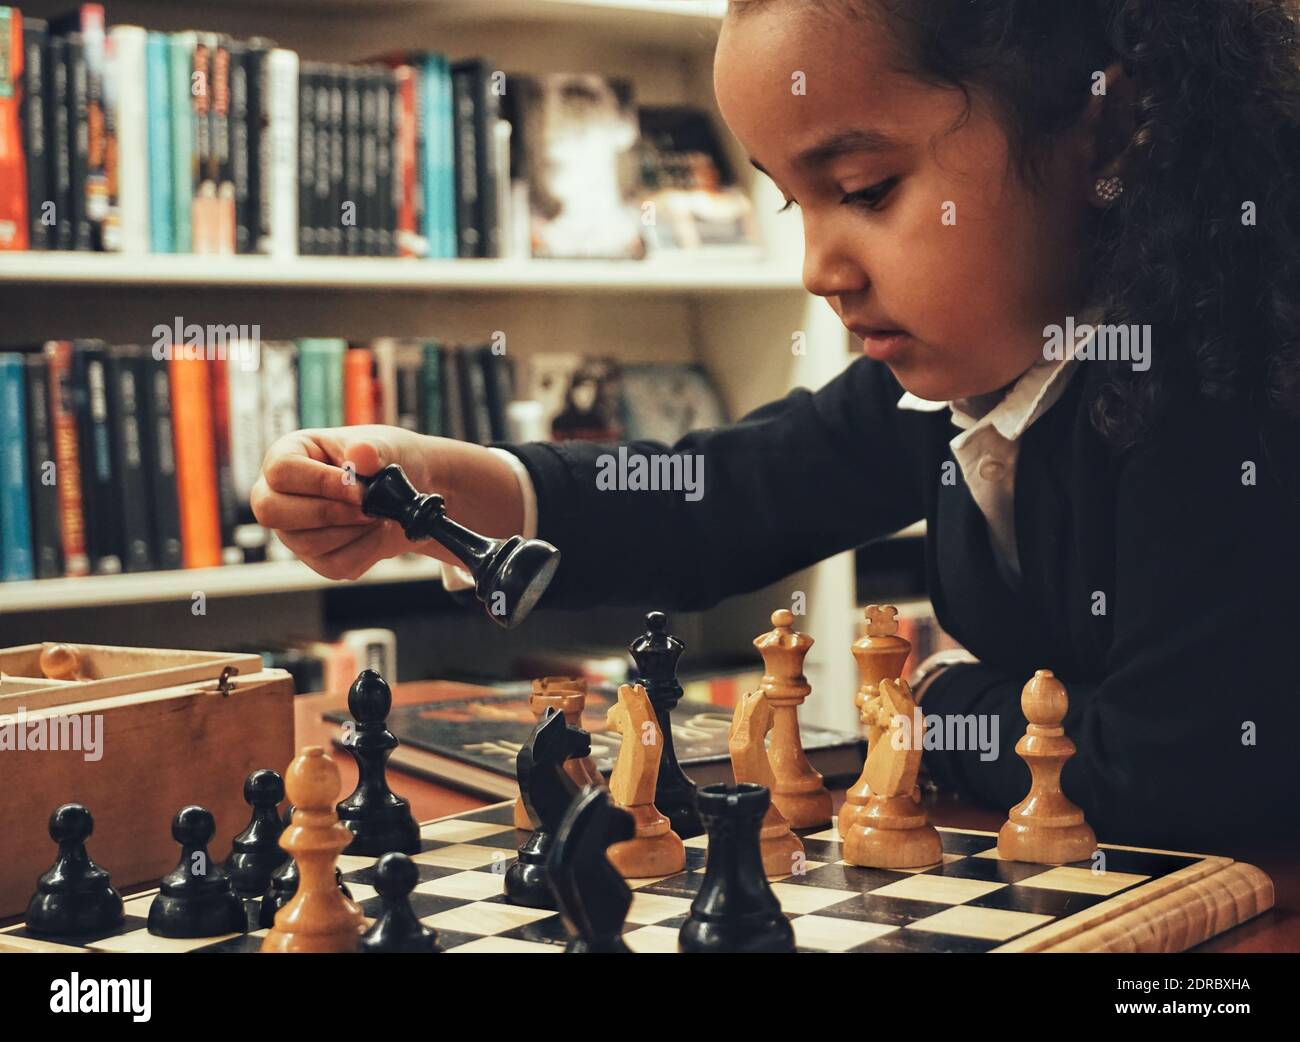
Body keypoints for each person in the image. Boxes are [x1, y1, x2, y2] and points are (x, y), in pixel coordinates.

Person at [252, 0, 1300, 848]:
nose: (817, 271)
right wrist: (459, 483)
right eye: (796, 203)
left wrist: (929, 695)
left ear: (1103, 126)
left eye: (866, 188)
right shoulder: (968, 373)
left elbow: (1177, 777)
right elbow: (726, 495)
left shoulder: (1228, 394)